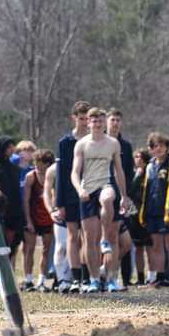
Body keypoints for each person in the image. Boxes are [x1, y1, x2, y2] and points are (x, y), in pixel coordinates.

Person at [72, 108, 131, 292]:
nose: (97, 125)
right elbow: (74, 172)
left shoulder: (113, 143)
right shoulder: (81, 144)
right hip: (88, 189)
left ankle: (112, 279)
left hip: (106, 185)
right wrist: (79, 189)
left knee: (108, 202)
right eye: (94, 121)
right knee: (90, 239)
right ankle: (95, 279)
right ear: (88, 122)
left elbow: (119, 170)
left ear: (104, 122)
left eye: (100, 121)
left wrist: (124, 195)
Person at [56, 100, 89, 292]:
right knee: (71, 235)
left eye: (87, 118)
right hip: (69, 194)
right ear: (74, 118)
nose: (84, 122)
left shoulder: (93, 140)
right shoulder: (65, 142)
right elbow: (61, 173)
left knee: (88, 236)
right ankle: (74, 278)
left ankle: (86, 277)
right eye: (81, 118)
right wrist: (59, 202)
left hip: (88, 193)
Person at [139, 132, 169, 287]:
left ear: (167, 147)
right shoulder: (150, 166)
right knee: (156, 246)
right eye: (155, 146)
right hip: (152, 211)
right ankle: (160, 276)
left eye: (162, 145)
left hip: (168, 210)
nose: (159, 148)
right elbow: (147, 190)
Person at [107, 109, 135, 286]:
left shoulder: (126, 146)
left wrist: (127, 196)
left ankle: (115, 275)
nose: (115, 123)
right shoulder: (99, 143)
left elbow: (128, 174)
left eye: (118, 120)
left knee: (125, 242)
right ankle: (103, 275)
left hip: (122, 198)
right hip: (102, 195)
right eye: (112, 120)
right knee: (108, 239)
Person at [21, 150, 55, 291]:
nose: (37, 167)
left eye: (40, 164)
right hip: (33, 217)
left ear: (48, 164)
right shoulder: (31, 176)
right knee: (29, 249)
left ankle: (41, 280)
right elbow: (26, 200)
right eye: (35, 163)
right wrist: (28, 221)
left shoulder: (53, 175)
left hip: (48, 218)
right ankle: (28, 280)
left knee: (46, 250)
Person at [0, 138, 25, 266]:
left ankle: (8, 268)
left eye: (12, 147)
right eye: (9, 147)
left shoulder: (14, 168)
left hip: (14, 208)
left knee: (12, 241)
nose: (12, 150)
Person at [42, 158, 70, 291]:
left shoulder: (82, 161)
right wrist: (51, 211)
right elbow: (46, 192)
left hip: (78, 212)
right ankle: (61, 279)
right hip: (60, 214)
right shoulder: (53, 169)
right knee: (61, 246)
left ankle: (71, 278)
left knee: (76, 246)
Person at [126, 148, 153, 283]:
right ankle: (140, 278)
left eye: (141, 157)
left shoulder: (150, 173)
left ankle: (152, 277)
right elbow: (129, 192)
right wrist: (137, 176)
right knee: (138, 249)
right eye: (136, 156)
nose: (139, 159)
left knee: (150, 248)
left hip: (147, 215)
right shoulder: (132, 174)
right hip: (134, 215)